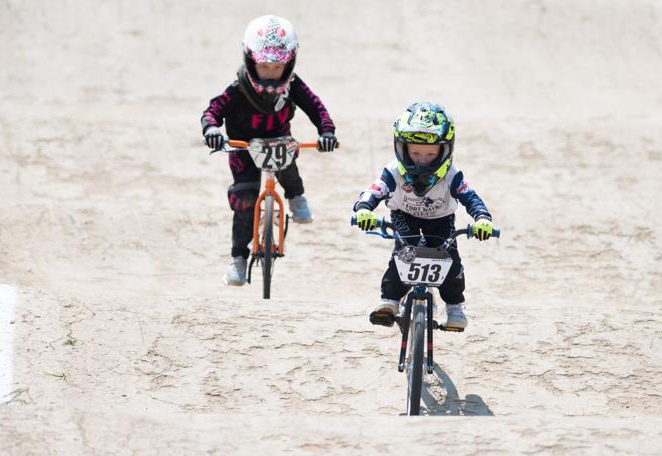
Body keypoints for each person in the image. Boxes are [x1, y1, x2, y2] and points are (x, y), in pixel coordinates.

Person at [201, 14, 338, 286]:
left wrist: (327, 132)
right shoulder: (238, 88)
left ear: (290, 63)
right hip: (243, 148)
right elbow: (212, 111)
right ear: (250, 61)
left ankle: (296, 197)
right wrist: (212, 130)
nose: (271, 72)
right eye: (265, 66)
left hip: (278, 140)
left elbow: (315, 107)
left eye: (278, 66)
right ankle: (238, 258)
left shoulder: (293, 86)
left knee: (287, 163)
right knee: (244, 199)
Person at [352, 102, 493, 330]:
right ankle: (390, 301)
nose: (422, 159)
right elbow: (375, 190)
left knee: (450, 261)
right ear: (402, 148)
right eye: (415, 152)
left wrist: (482, 218)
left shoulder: (451, 174)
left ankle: (455, 307)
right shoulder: (394, 171)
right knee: (403, 254)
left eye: (430, 153)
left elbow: (470, 196)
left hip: (441, 220)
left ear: (444, 150)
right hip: (403, 215)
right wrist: (364, 208)